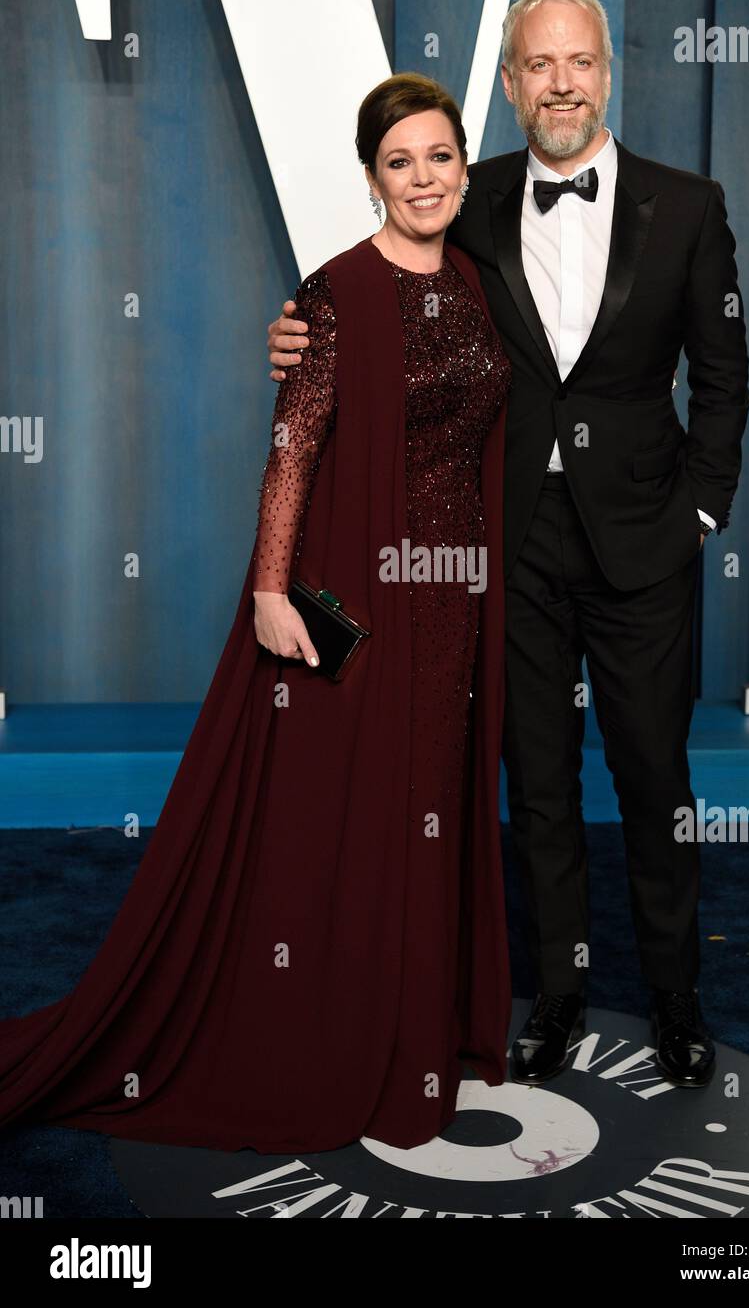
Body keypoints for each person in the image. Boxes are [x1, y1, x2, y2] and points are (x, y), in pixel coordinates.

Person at [0, 73, 513, 1153]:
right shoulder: (332, 296)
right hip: (363, 604)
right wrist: (272, 590)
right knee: (359, 815)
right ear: (371, 177)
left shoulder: (473, 279)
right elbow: (293, 447)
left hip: (455, 602)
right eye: (400, 162)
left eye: (440, 157)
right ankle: (354, 1037)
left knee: (435, 803)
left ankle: (426, 1029)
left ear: (466, 163)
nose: (424, 178)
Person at [268, 0, 749, 1090]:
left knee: (651, 776)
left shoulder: (687, 206)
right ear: (508, 83)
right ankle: (559, 993)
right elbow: (372, 291)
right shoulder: (468, 195)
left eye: (577, 60)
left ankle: (677, 999)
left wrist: (698, 511)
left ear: (606, 71)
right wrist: (297, 329)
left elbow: (722, 381)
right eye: (538, 65)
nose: (561, 82)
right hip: (513, 547)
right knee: (535, 783)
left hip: (644, 547)